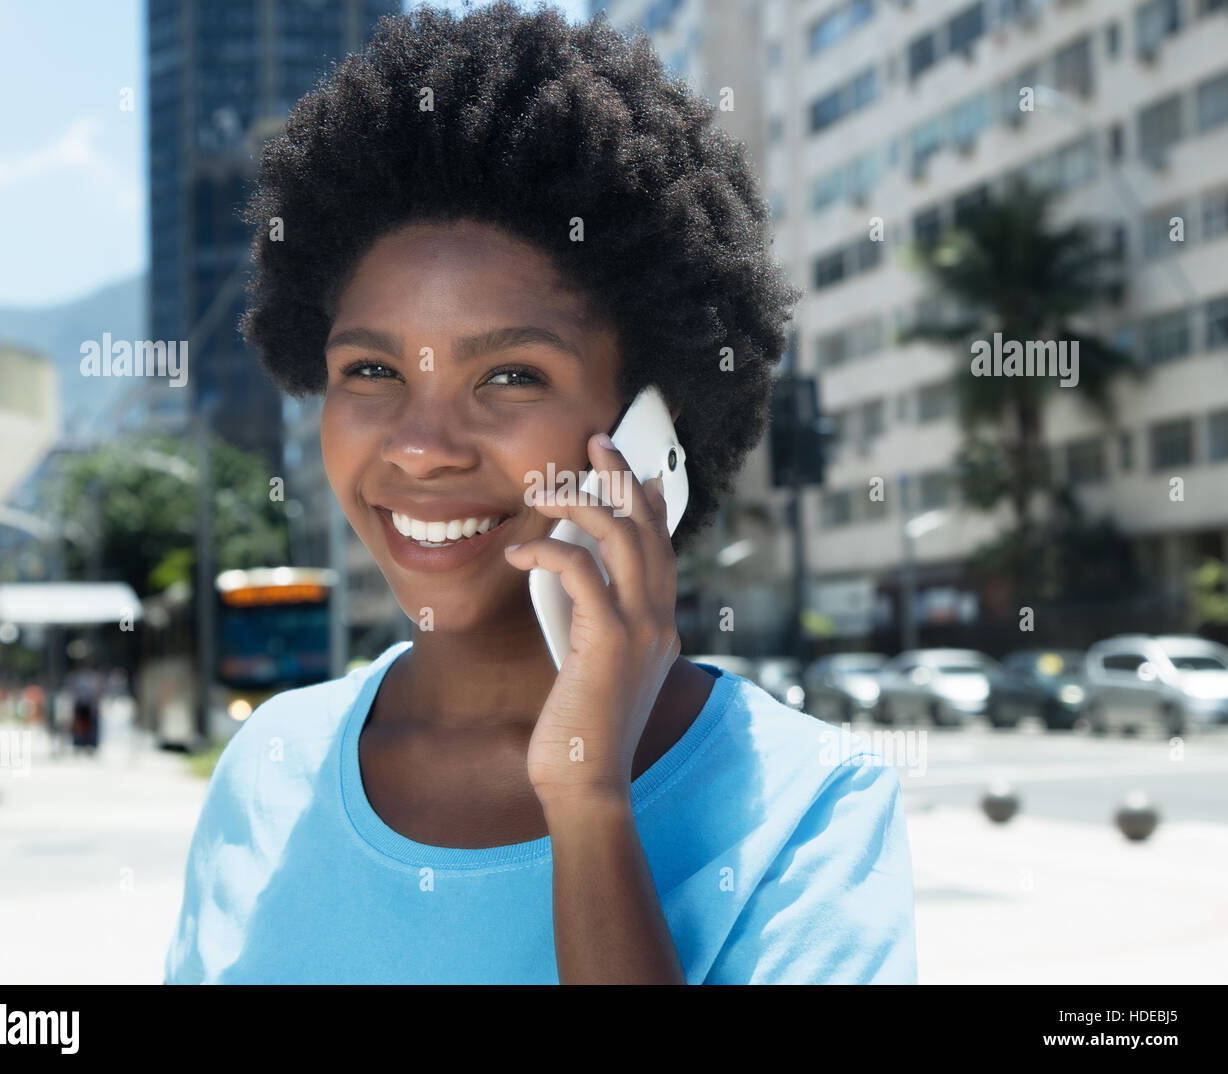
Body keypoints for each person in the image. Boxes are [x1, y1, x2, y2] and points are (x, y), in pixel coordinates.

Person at [165, 1, 917, 985]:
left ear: (654, 429)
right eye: (370, 372)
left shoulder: (810, 809)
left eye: (509, 376)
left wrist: (589, 799)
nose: (422, 448)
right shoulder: (270, 764)